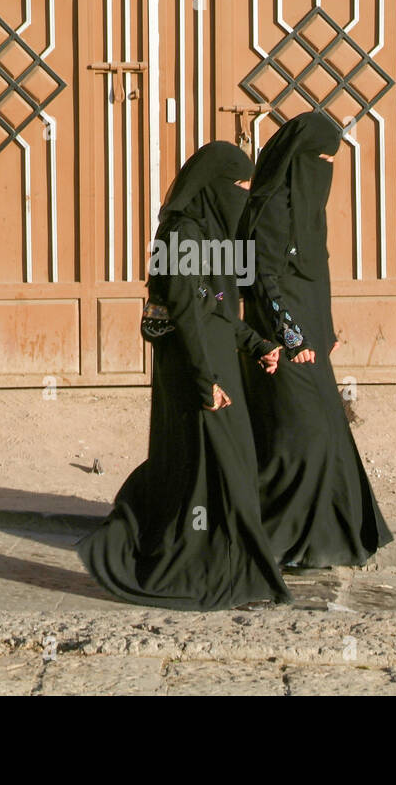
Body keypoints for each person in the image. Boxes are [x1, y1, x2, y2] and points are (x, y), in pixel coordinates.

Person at [76, 140, 292, 610]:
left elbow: (215, 307)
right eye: (237, 187)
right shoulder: (179, 238)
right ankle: (188, 563)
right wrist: (205, 381)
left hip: (216, 370)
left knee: (213, 472)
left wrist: (257, 345)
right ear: (212, 185)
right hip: (196, 374)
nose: (242, 196)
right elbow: (188, 318)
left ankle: (228, 568)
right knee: (214, 470)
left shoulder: (205, 237)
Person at [238, 111, 393, 569]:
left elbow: (315, 275)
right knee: (300, 435)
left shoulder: (307, 211)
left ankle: (325, 540)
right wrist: (292, 335)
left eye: (332, 160)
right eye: (318, 159)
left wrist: (325, 332)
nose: (323, 168)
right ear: (296, 158)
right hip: (281, 336)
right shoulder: (271, 208)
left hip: (311, 336)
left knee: (325, 430)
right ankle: (269, 537)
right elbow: (262, 278)